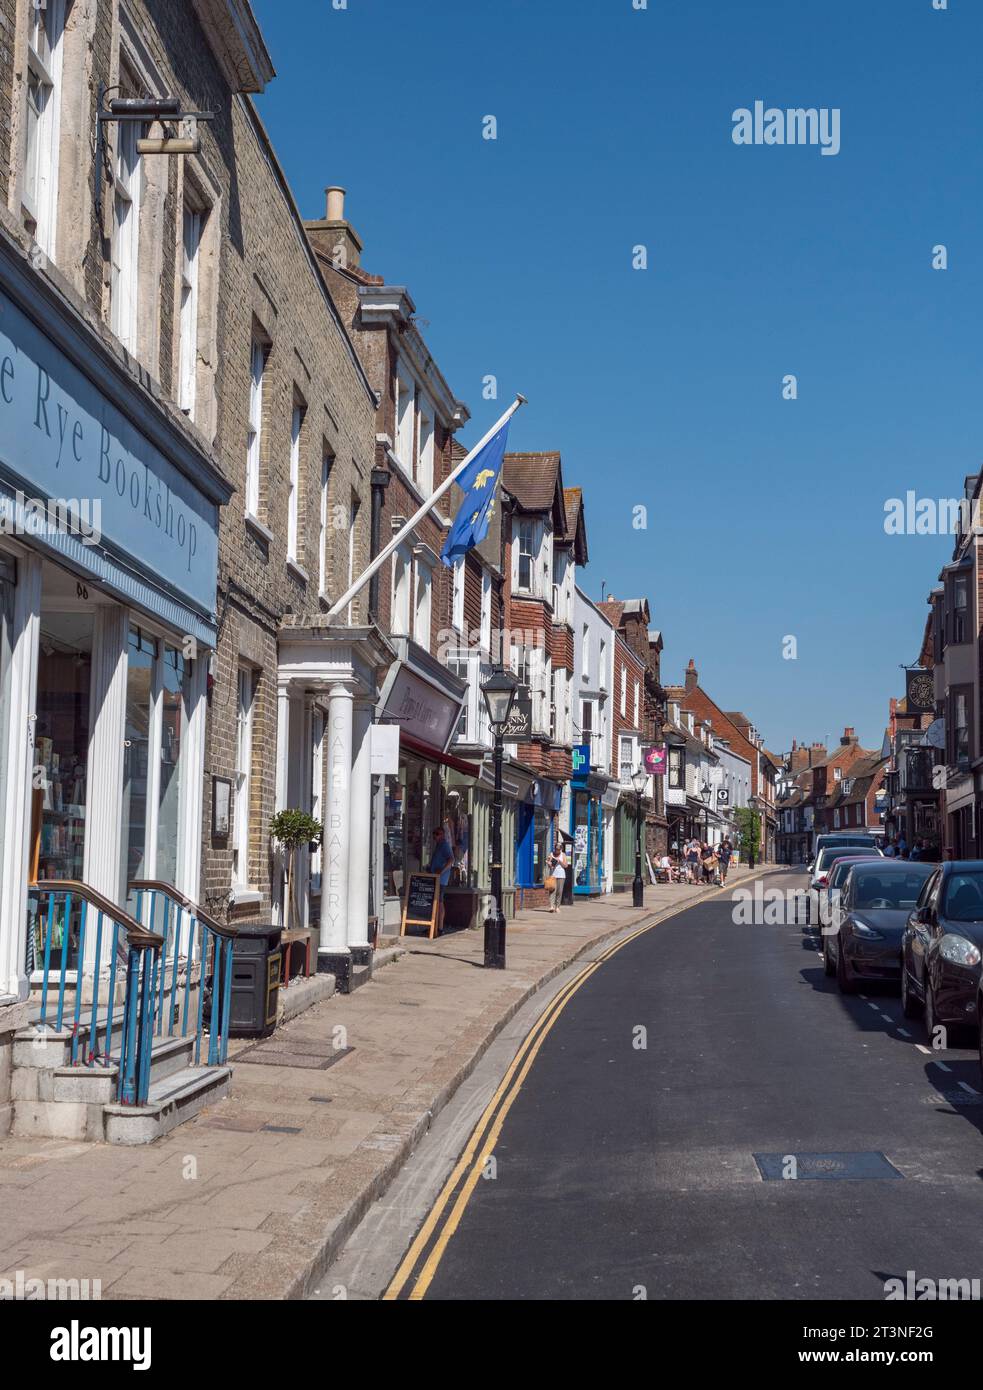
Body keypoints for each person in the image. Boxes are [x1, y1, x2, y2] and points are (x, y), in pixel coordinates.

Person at [428, 827, 454, 933]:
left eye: (437, 834)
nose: (435, 836)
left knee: (439, 902)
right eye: (434, 833)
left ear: (442, 835)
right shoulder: (438, 846)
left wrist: (441, 871)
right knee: (436, 902)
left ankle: (440, 927)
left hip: (441, 880)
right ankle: (433, 927)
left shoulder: (444, 845)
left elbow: (451, 859)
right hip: (435, 878)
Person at [547, 843, 568, 912]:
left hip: (561, 875)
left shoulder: (563, 855)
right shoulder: (551, 854)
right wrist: (549, 864)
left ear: (561, 849)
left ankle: (557, 906)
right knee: (552, 890)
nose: (557, 851)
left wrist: (560, 861)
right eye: (556, 849)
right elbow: (549, 865)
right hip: (553, 875)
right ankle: (551, 906)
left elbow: (566, 866)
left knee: (559, 891)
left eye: (558, 849)